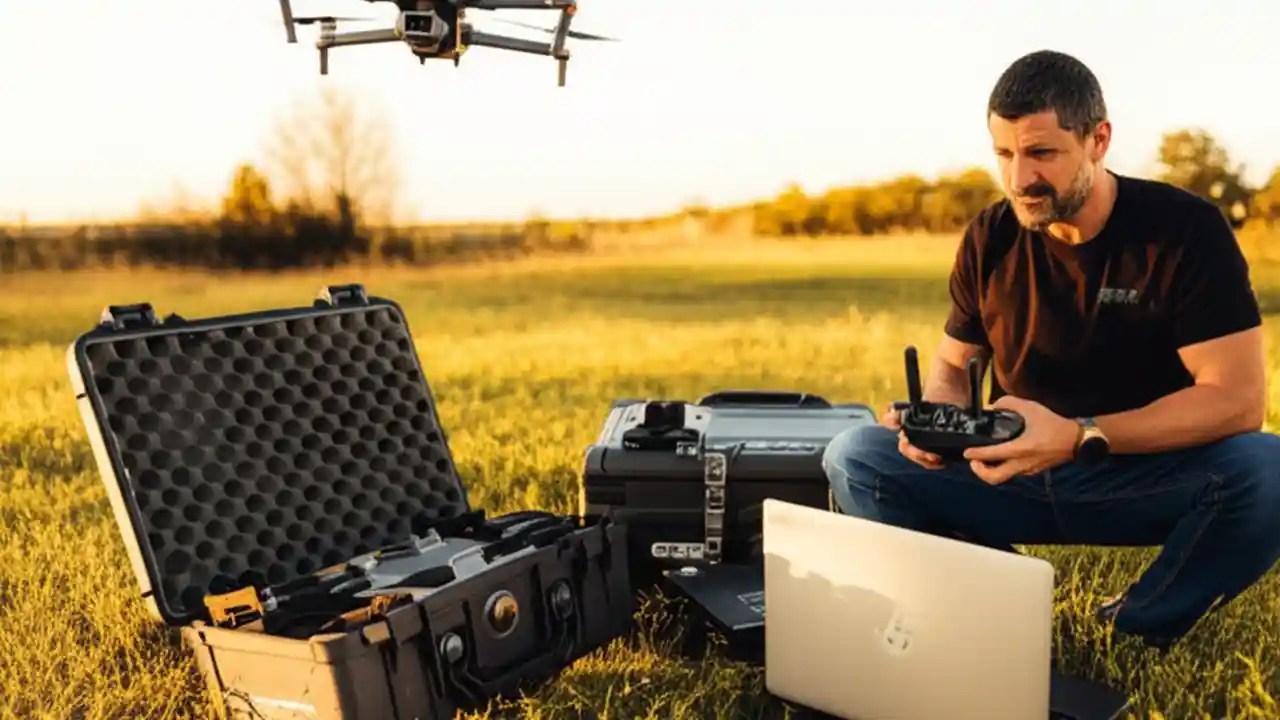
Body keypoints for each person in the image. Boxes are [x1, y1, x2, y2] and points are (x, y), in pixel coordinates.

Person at [822, 49, 1280, 651]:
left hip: (1137, 472)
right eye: (1004, 154)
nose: (1019, 179)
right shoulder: (990, 235)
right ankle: (1003, 601)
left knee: (1268, 470)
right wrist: (939, 422)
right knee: (856, 455)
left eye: (1041, 153)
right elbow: (954, 364)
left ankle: (1134, 626)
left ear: (1098, 140)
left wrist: (1078, 435)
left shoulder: (1185, 231)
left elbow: (1236, 401)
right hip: (1006, 470)